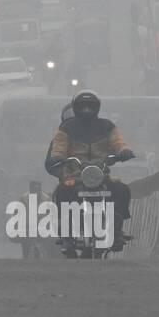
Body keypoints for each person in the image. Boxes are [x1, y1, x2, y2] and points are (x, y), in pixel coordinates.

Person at [45, 90, 134, 251]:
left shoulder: (107, 126)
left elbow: (118, 141)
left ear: (97, 108)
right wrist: (58, 156)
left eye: (90, 107)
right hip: (75, 176)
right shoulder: (66, 127)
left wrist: (124, 151)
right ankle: (66, 236)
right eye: (82, 107)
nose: (86, 110)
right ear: (76, 108)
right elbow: (59, 146)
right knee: (62, 191)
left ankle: (117, 229)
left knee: (122, 190)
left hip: (101, 176)